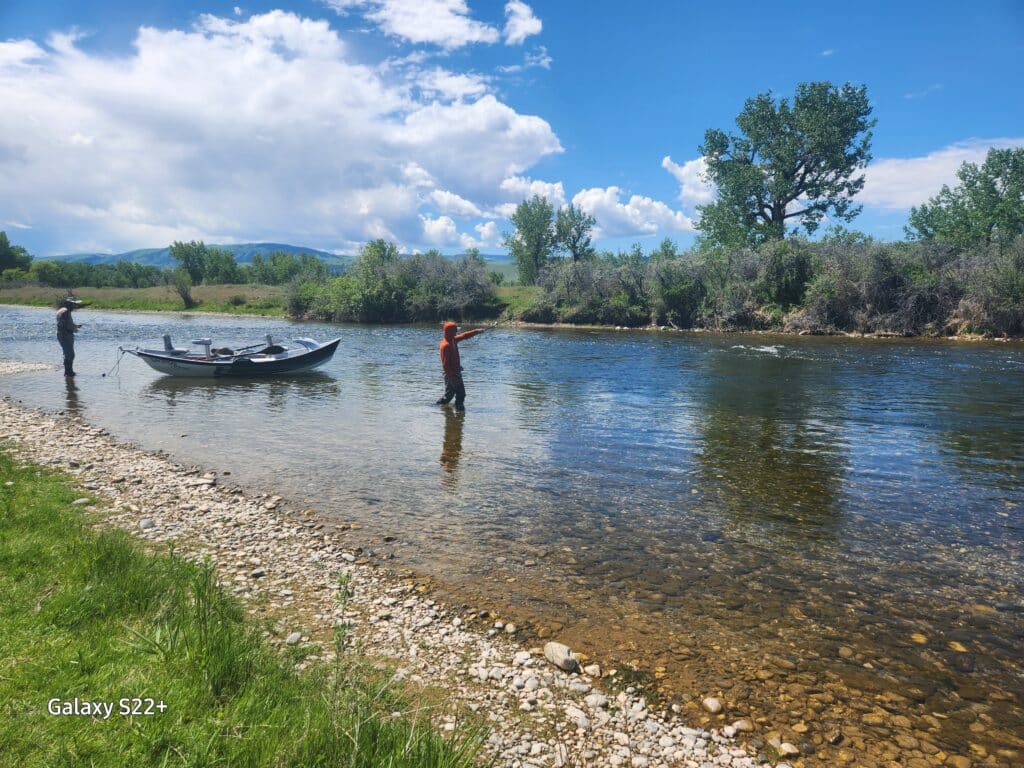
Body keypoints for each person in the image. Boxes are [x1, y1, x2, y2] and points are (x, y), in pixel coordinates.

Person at [435, 321, 489, 410]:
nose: (457, 332)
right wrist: (452, 378)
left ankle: (437, 407)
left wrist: (477, 331)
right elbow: (445, 365)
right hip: (451, 374)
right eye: (455, 331)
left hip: (454, 372)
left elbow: (464, 336)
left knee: (449, 395)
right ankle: (460, 414)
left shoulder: (453, 339)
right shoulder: (446, 345)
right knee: (461, 393)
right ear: (451, 332)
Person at [56, 297, 84, 377]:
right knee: (70, 355)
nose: (75, 306)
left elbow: (66, 323)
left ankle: (68, 372)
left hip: (63, 334)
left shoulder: (62, 310)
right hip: (65, 335)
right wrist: (73, 328)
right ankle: (68, 373)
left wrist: (75, 326)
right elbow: (63, 325)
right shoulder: (65, 312)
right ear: (70, 304)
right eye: (74, 304)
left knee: (68, 354)